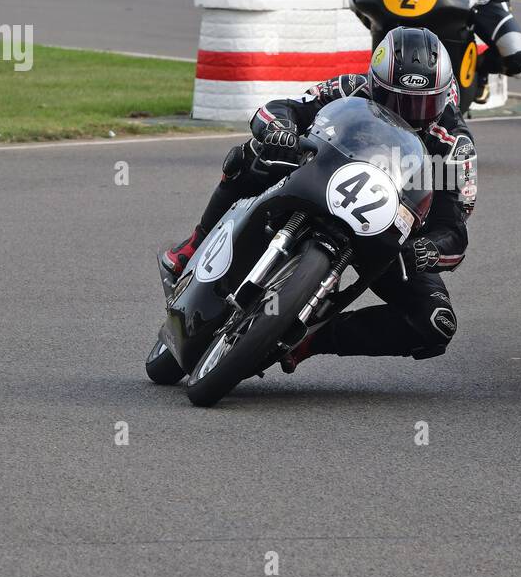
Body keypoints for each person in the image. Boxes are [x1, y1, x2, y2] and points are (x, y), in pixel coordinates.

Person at [160, 26, 477, 368]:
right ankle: (194, 244)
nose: (411, 113)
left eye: (424, 102)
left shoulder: (451, 146)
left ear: (446, 95)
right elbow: (283, 108)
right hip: (318, 178)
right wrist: (279, 131)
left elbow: (452, 230)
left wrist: (427, 250)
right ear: (374, 84)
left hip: (388, 235)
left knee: (436, 322)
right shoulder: (350, 89)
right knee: (254, 154)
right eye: (397, 99)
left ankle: (311, 339)